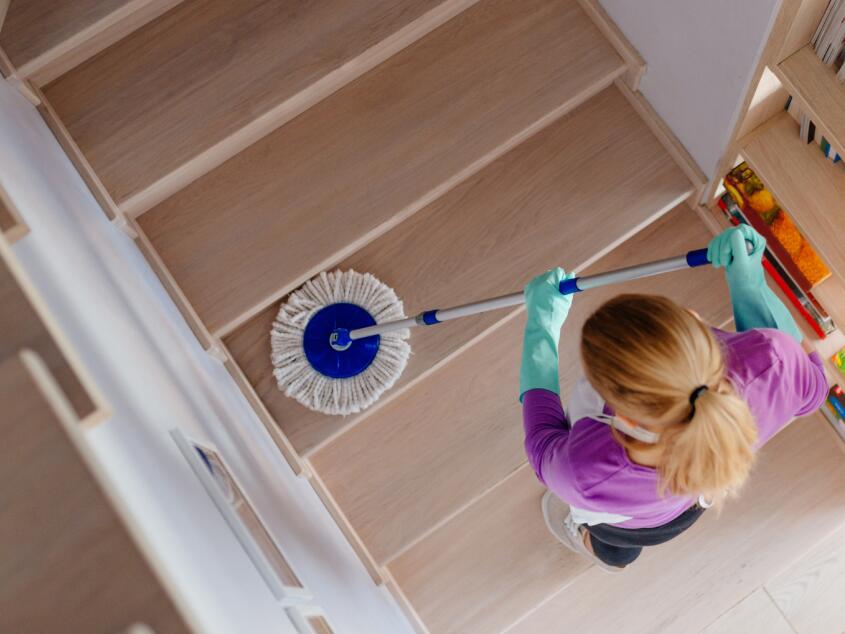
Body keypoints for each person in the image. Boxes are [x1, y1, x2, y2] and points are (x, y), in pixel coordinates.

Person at [520, 225, 828, 571]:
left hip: (639, 515)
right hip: (689, 500)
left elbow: (542, 439)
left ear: (628, 417)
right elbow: (811, 382)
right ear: (692, 321)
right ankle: (611, 551)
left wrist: (541, 325)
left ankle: (592, 539)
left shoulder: (584, 472)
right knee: (621, 543)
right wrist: (749, 280)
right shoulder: (774, 361)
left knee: (611, 539)